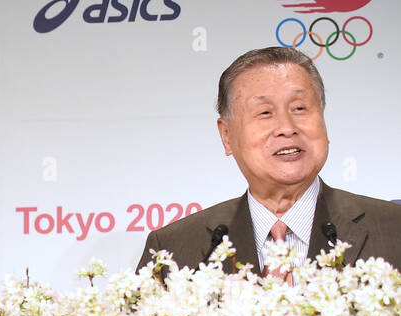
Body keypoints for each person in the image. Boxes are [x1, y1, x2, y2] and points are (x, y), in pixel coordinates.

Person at [137, 46, 401, 273]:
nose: (287, 127)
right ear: (226, 135)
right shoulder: (173, 250)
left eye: (300, 108)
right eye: (265, 112)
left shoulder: (393, 229)